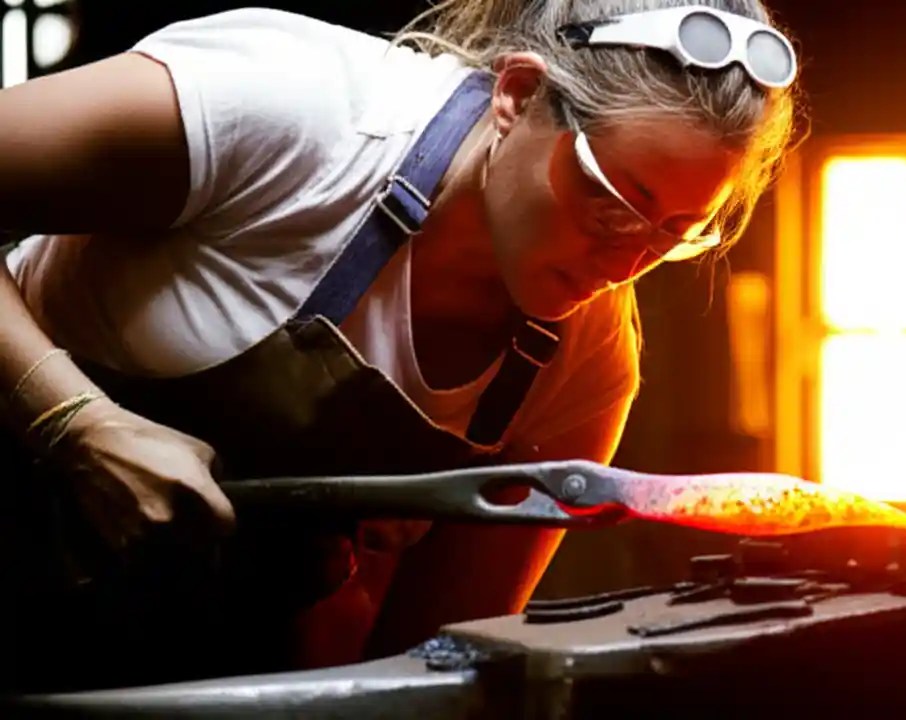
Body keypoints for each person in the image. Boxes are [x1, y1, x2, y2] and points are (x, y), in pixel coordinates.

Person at [0, 0, 799, 691]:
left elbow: (432, 664)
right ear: (517, 96)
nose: (626, 261)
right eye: (613, 204)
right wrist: (69, 421)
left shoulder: (581, 367)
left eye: (676, 234)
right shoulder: (285, 108)